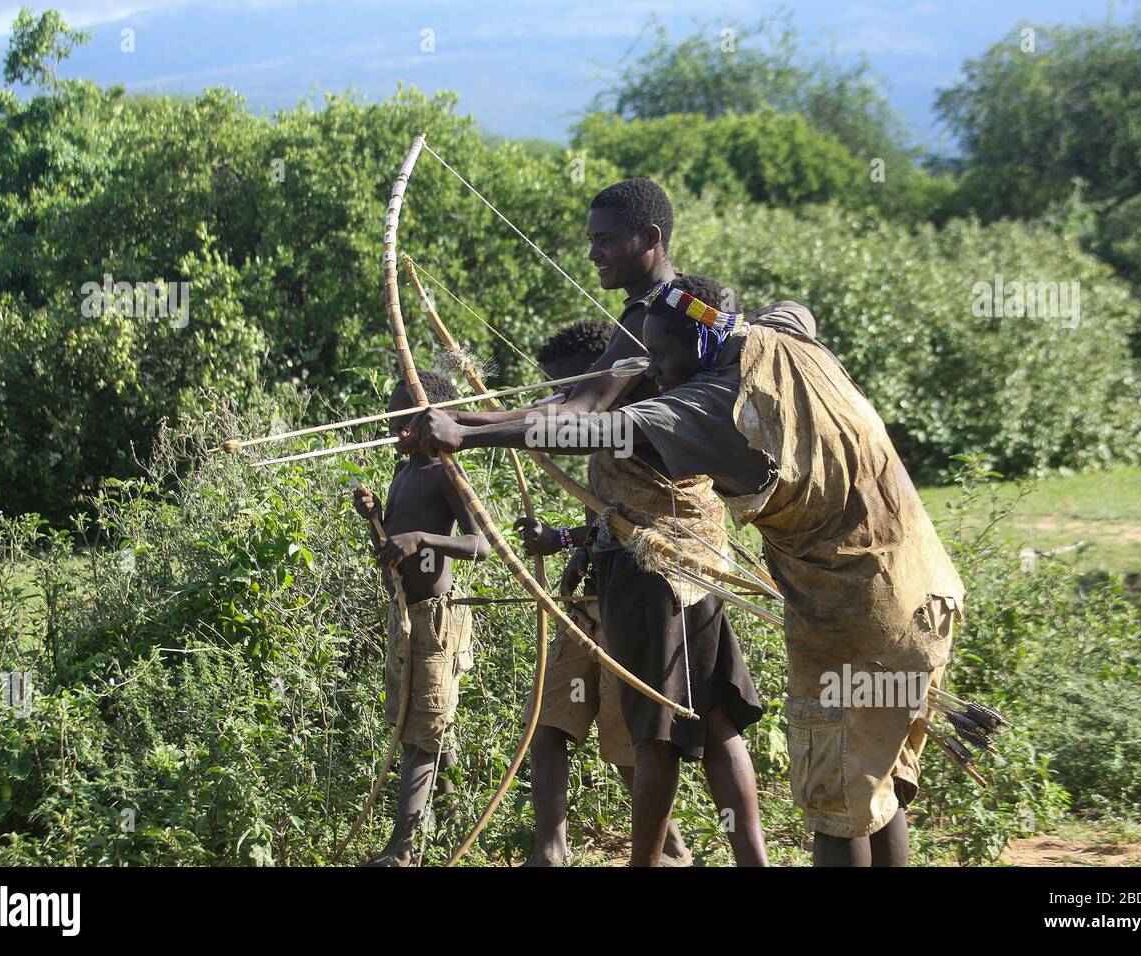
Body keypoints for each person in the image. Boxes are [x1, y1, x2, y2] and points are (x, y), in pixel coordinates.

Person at [397, 280, 966, 867]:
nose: (659, 372)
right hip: (925, 589)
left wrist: (466, 432)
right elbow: (798, 309)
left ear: (700, 338)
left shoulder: (710, 405)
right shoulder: (780, 336)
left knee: (836, 803)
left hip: (855, 612)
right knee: (878, 786)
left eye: (665, 357)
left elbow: (592, 428)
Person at [520, 319, 691, 867]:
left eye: (573, 388)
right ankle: (550, 852)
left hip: (631, 606)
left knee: (628, 745)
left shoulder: (648, 424)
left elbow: (643, 525)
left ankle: (670, 853)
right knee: (549, 722)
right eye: (559, 391)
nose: (565, 400)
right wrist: (569, 541)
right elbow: (605, 520)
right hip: (589, 600)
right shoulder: (600, 435)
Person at [353, 370, 490, 866]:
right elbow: (390, 551)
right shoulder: (404, 470)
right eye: (392, 415)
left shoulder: (444, 472)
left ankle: (401, 850)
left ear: (433, 419)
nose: (395, 426)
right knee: (417, 720)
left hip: (435, 620)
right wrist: (374, 520)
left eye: (404, 417)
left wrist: (424, 540)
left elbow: (482, 545)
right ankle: (454, 812)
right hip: (404, 615)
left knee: (422, 732)